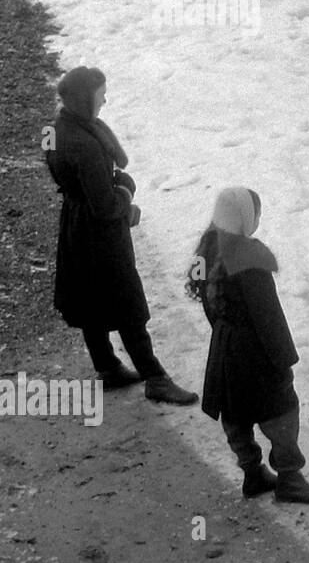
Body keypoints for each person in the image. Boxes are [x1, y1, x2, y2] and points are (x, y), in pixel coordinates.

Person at [44, 66, 198, 403]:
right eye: (100, 94)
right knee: (127, 303)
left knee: (88, 297)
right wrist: (126, 192)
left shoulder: (54, 128)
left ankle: (108, 367)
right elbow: (104, 206)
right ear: (85, 99)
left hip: (74, 225)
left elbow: (54, 165)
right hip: (101, 236)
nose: (105, 100)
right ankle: (155, 378)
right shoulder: (85, 144)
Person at [186, 187, 309, 504]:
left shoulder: (206, 247)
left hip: (224, 349)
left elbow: (205, 298)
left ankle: (252, 473)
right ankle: (290, 478)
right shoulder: (249, 259)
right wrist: (284, 360)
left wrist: (223, 333)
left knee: (235, 413)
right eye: (257, 214)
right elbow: (268, 315)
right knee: (280, 410)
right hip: (255, 351)